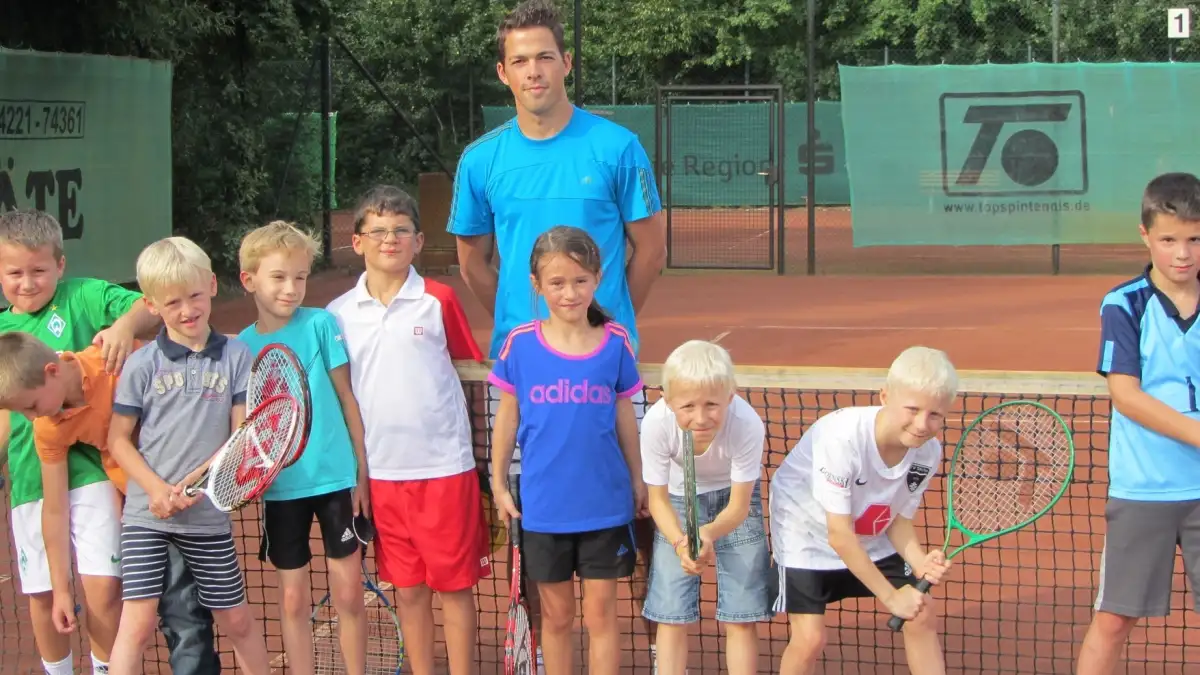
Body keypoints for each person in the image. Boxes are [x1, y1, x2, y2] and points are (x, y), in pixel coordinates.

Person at [448, 2, 667, 662]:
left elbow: (649, 250)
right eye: (521, 60)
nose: (535, 70)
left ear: (566, 62)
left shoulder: (616, 147)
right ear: (503, 73)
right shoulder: (481, 160)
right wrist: (524, 327)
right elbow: (472, 261)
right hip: (524, 376)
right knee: (530, 528)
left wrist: (608, 322)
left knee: (638, 513)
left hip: (607, 369)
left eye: (546, 56)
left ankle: (659, 648)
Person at [0, 209, 220, 675]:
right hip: (30, 474)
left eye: (38, 270)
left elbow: (150, 305)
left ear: (60, 266)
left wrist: (121, 327)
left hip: (98, 469)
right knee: (42, 592)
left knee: (105, 587)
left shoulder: (85, 295)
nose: (26, 282)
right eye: (13, 272)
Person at [327, 185, 490, 675]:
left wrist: (480, 460)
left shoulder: (438, 300)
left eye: (400, 230)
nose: (389, 239)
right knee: (409, 590)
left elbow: (471, 376)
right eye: (377, 231)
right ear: (357, 242)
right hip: (380, 476)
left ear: (419, 241)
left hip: (445, 469)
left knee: (455, 589)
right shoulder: (337, 314)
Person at [105, 236, 270, 675]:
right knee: (136, 627)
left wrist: (215, 476)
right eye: (173, 301)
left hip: (207, 518)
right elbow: (119, 440)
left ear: (213, 286)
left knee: (237, 620)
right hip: (146, 516)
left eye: (195, 295)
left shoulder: (236, 355)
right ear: (152, 305)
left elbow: (240, 435)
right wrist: (157, 490)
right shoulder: (142, 365)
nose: (187, 309)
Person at [489, 225, 648, 675]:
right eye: (556, 283)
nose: (569, 292)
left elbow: (625, 418)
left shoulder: (616, 342)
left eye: (580, 281)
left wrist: (638, 480)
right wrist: (498, 482)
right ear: (537, 285)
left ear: (597, 279)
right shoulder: (520, 344)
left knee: (601, 617)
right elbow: (507, 418)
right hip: (543, 508)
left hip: (605, 506)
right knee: (557, 618)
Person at [769, 346, 957, 675]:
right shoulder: (843, 439)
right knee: (810, 639)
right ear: (885, 396)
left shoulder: (927, 452)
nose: (922, 424)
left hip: (866, 532)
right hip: (806, 533)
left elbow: (897, 519)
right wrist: (892, 597)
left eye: (935, 415)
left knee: (922, 610)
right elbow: (839, 535)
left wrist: (919, 560)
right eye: (912, 409)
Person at [1077, 172, 1200, 675]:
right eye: (1169, 239)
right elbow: (1125, 395)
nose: (1183, 253)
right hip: (1145, 490)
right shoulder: (1124, 303)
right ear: (1145, 235)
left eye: (1195, 238)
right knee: (1114, 620)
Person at [237, 221, 370, 675]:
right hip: (281, 490)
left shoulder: (320, 324)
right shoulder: (241, 348)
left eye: (300, 277)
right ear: (249, 279)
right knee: (293, 599)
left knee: (349, 592)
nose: (291, 288)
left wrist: (361, 476)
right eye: (279, 277)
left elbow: (347, 399)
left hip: (336, 482)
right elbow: (245, 427)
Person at [0, 333, 135, 672]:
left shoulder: (116, 363)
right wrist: (62, 590)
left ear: (52, 371)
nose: (32, 418)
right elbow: (55, 509)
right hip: (143, 501)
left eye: (31, 406)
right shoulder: (48, 427)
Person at [638, 339, 772, 675]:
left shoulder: (747, 424)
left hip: (732, 500)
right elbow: (657, 499)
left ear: (731, 396)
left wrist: (707, 533)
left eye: (712, 404)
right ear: (667, 400)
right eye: (688, 407)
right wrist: (681, 542)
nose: (701, 418)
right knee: (671, 611)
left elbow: (740, 506)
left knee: (741, 613)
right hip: (677, 501)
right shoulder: (655, 424)